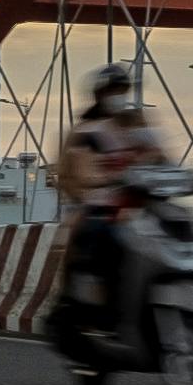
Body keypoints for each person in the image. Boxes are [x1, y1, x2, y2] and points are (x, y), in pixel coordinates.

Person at [53, 65, 172, 340]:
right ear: (99, 95)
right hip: (99, 207)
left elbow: (162, 158)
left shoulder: (138, 124)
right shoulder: (85, 132)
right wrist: (90, 188)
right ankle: (89, 307)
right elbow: (72, 172)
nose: (117, 96)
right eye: (111, 91)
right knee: (96, 238)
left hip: (140, 206)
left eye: (121, 91)